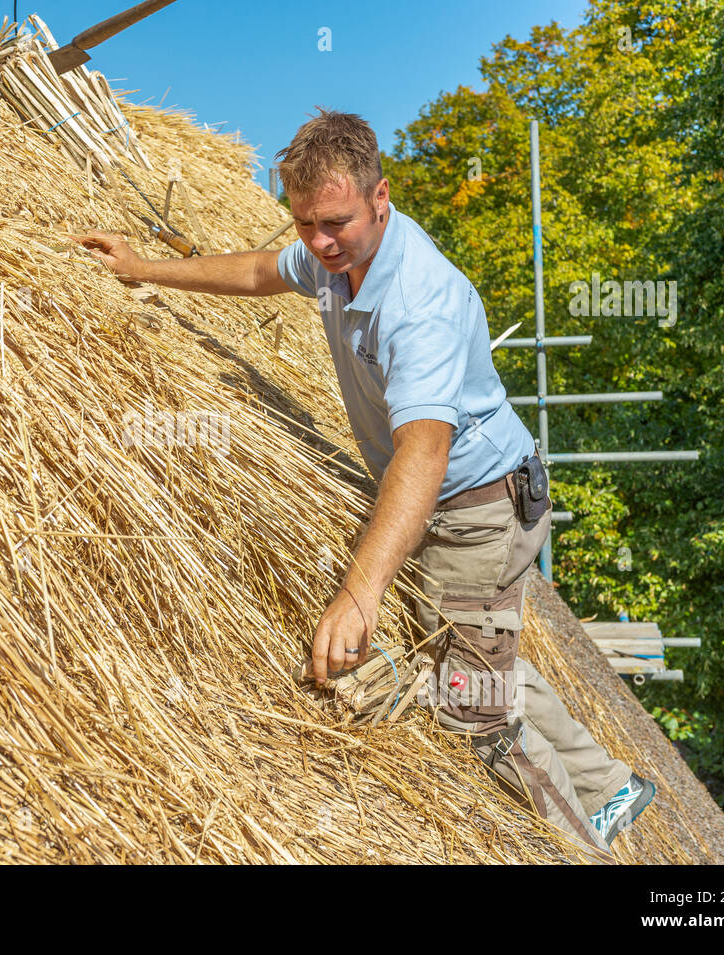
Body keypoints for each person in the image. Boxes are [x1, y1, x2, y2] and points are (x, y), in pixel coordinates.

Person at [74, 109, 655, 855]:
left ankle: (586, 846)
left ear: (382, 197)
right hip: (456, 497)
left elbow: (422, 455)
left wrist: (359, 592)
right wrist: (141, 268)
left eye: (336, 223)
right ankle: (608, 787)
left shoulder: (422, 306)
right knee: (472, 646)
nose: (319, 243)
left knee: (471, 707)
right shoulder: (328, 256)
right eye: (306, 223)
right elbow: (258, 270)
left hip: (479, 506)